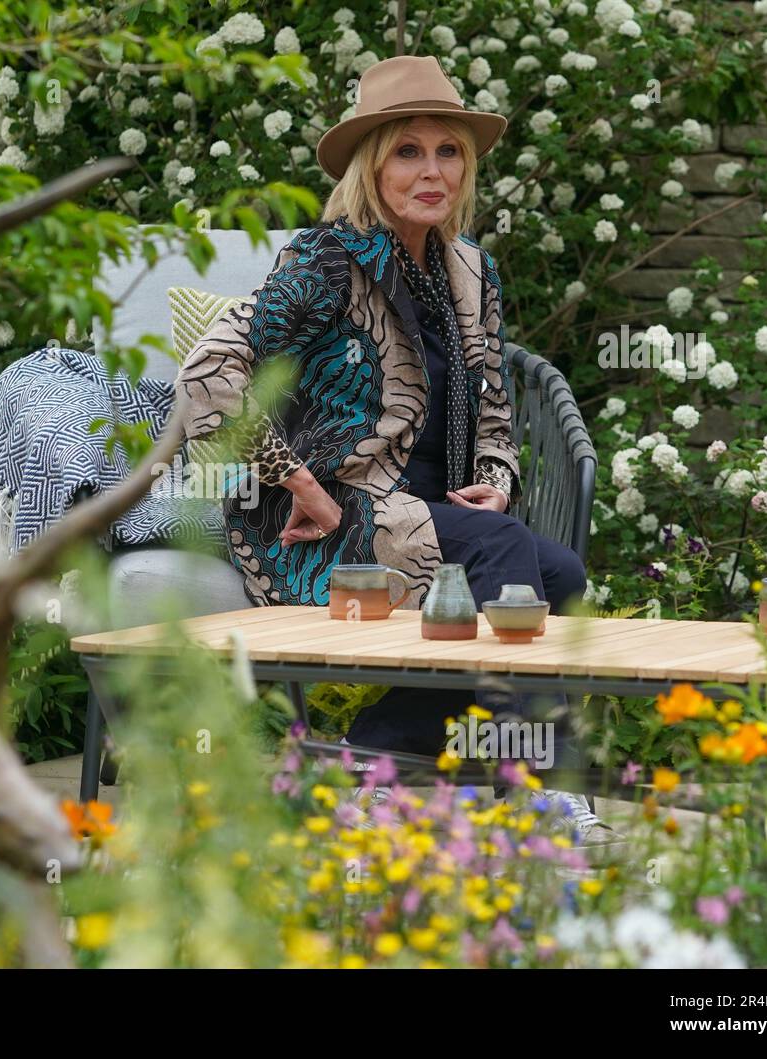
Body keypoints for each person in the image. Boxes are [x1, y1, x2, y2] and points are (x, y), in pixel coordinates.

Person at [175, 55, 615, 843]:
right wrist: (298, 482)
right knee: (506, 557)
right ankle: (546, 783)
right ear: (372, 166)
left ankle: (379, 750)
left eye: (449, 152)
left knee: (562, 572)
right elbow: (208, 372)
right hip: (319, 522)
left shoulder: (467, 267)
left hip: (431, 515)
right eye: (408, 151)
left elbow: (490, 402)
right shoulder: (326, 260)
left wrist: (492, 479)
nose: (432, 170)